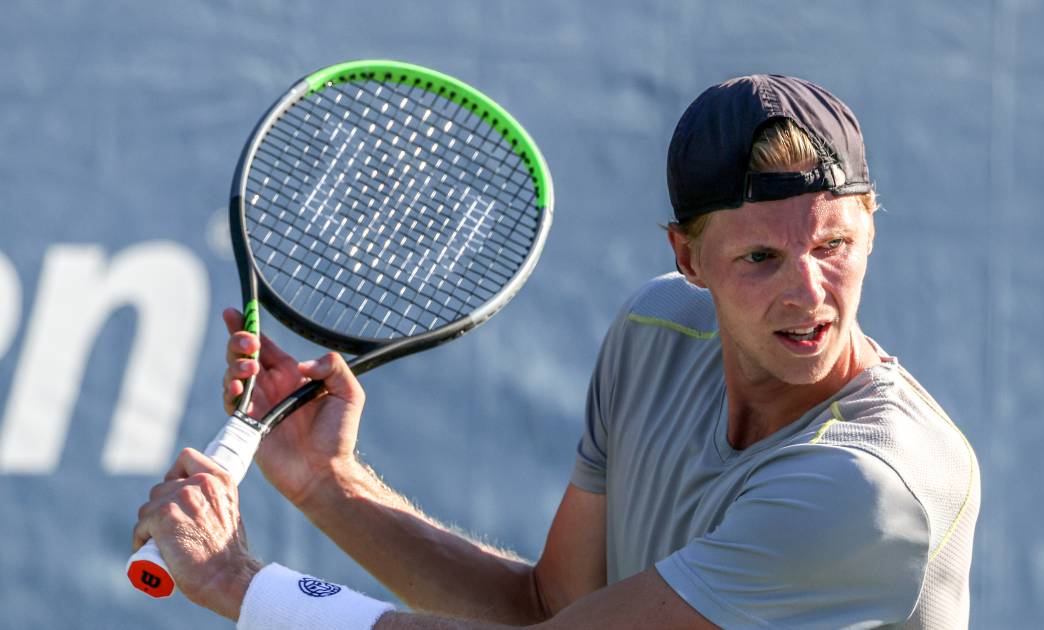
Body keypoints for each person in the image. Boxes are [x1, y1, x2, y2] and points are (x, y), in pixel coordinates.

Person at [134, 74, 980, 629]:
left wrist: (240, 587)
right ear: (688, 260)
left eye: (833, 244)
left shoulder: (867, 489)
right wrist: (330, 487)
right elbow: (550, 608)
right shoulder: (657, 333)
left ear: (871, 226)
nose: (809, 292)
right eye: (760, 257)